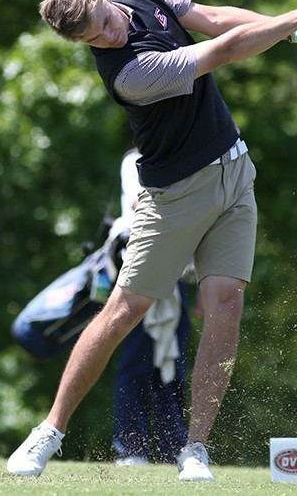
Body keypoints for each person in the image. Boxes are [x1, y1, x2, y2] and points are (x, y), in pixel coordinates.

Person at [7, 0, 297, 482]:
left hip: (235, 172)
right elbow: (221, 51)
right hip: (174, 198)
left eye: (104, 25)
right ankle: (50, 432)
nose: (107, 39)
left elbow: (213, 20)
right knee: (126, 311)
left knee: (226, 305)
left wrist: (285, 30)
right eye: (92, 41)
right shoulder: (128, 73)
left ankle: (195, 448)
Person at [109, 148, 192, 466]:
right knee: (136, 363)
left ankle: (175, 448)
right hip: (138, 271)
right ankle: (131, 449)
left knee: (172, 365)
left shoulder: (186, 158)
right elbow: (142, 204)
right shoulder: (134, 160)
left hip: (176, 278)